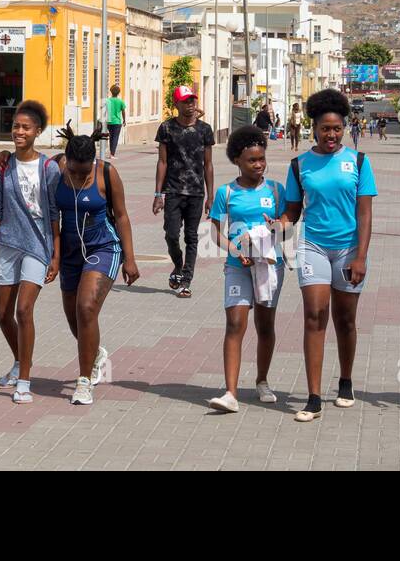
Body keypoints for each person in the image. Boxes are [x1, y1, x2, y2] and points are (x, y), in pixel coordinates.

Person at [284, 88, 377, 423]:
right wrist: (277, 223)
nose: (332, 135)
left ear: (344, 128)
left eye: (337, 128)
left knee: (346, 319)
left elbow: (365, 214)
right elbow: (292, 212)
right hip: (313, 246)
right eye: (326, 128)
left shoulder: (359, 162)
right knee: (314, 315)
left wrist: (361, 257)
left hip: (349, 249)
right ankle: (313, 397)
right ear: (315, 128)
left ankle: (346, 380)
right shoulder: (299, 165)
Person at [0, 101, 60, 404]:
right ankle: (18, 360)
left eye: (26, 127)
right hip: (9, 244)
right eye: (16, 126)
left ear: (38, 131)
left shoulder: (49, 169)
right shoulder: (1, 166)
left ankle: (24, 380)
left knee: (24, 310)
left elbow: (54, 214)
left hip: (38, 247)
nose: (19, 132)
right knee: (3, 314)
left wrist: (55, 254)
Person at [54, 122, 139, 404]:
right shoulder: (55, 169)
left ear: (93, 161)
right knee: (74, 318)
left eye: (83, 171)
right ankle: (96, 353)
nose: (78, 177)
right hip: (69, 253)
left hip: (102, 246)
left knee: (86, 306)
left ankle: (84, 381)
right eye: (73, 171)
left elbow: (123, 216)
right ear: (66, 161)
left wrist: (131, 259)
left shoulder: (106, 173)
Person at [206, 125, 289, 412]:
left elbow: (286, 230)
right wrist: (233, 249)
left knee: (265, 326)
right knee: (235, 324)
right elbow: (215, 232)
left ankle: (262, 380)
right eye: (252, 160)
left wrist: (276, 228)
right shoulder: (226, 192)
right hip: (237, 267)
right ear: (237, 162)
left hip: (268, 266)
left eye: (262, 159)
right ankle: (230, 392)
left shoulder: (277, 191)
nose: (258, 165)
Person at [153, 86, 215, 298]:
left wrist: (211, 196)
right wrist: (157, 194)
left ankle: (186, 280)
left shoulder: (205, 129)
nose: (190, 105)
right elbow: (162, 162)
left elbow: (208, 164)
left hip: (196, 193)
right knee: (171, 235)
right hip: (173, 190)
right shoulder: (166, 128)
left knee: (191, 237)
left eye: (192, 101)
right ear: (176, 104)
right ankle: (178, 266)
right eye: (186, 101)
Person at [104, 84, 126, 157]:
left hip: (109, 122)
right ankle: (112, 154)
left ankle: (111, 152)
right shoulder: (120, 101)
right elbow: (123, 111)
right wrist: (124, 120)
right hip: (117, 122)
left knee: (111, 137)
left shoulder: (108, 101)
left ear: (111, 92)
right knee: (115, 138)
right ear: (118, 93)